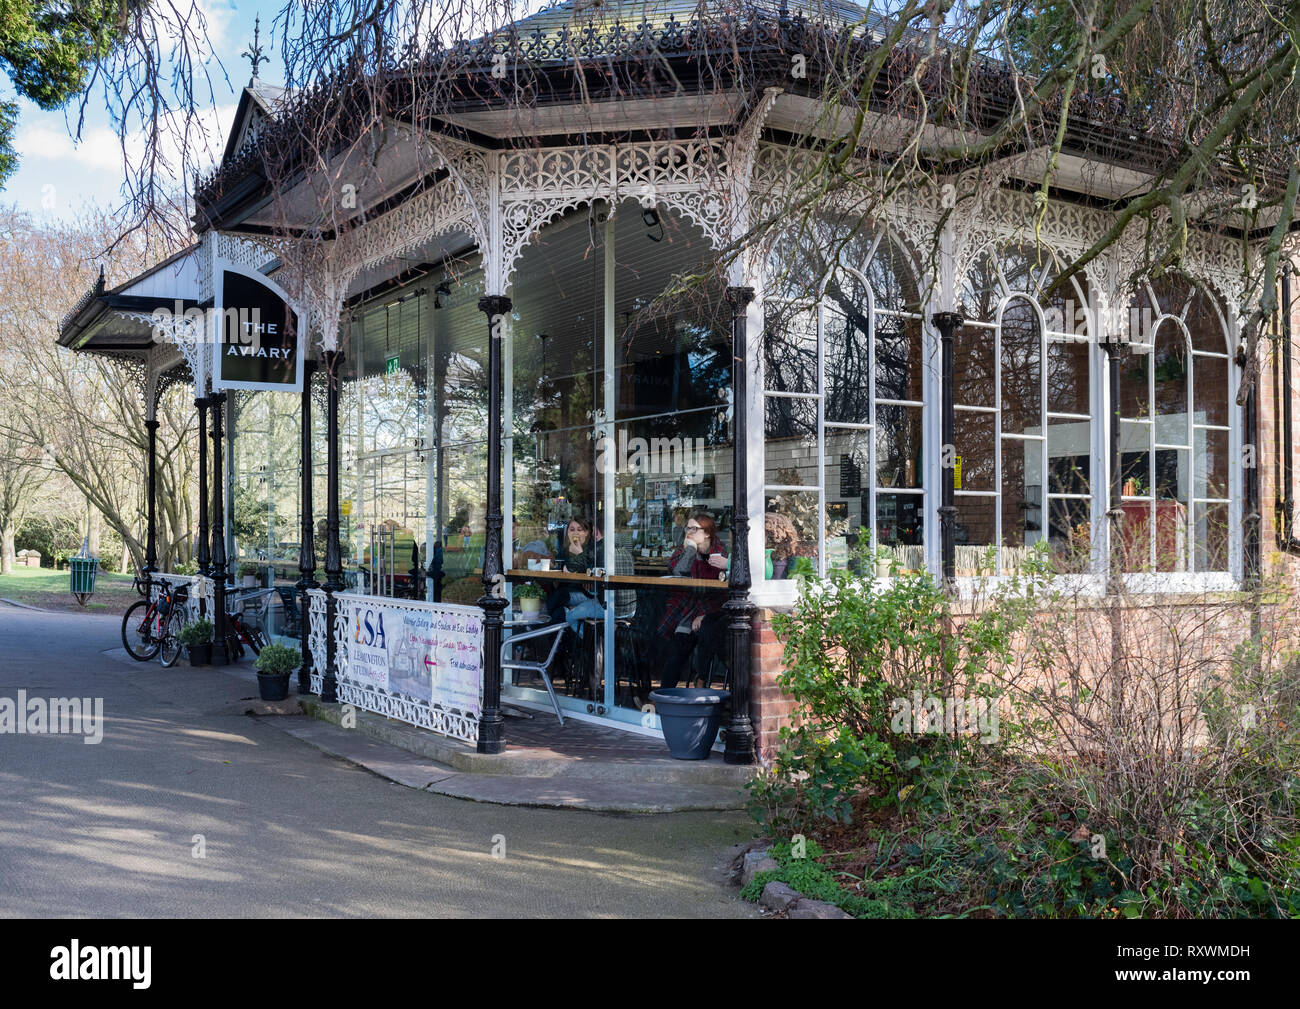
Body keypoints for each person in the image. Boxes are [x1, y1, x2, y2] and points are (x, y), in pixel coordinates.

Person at [658, 512, 728, 689]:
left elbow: (722, 591)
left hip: (715, 610)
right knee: (678, 647)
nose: (688, 532)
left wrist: (704, 614)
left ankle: (701, 679)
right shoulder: (683, 550)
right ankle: (665, 695)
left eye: (694, 528)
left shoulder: (720, 553)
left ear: (707, 533)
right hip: (689, 608)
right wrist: (690, 550)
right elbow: (678, 572)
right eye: (687, 528)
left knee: (708, 633)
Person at [545, 517, 604, 635]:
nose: (575, 533)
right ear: (567, 533)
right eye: (572, 529)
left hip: (589, 595)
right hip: (569, 593)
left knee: (559, 595)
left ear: (587, 533)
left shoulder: (592, 550)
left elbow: (594, 572)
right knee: (558, 613)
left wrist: (580, 554)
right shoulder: (564, 551)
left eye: (579, 529)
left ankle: (541, 628)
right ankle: (561, 647)